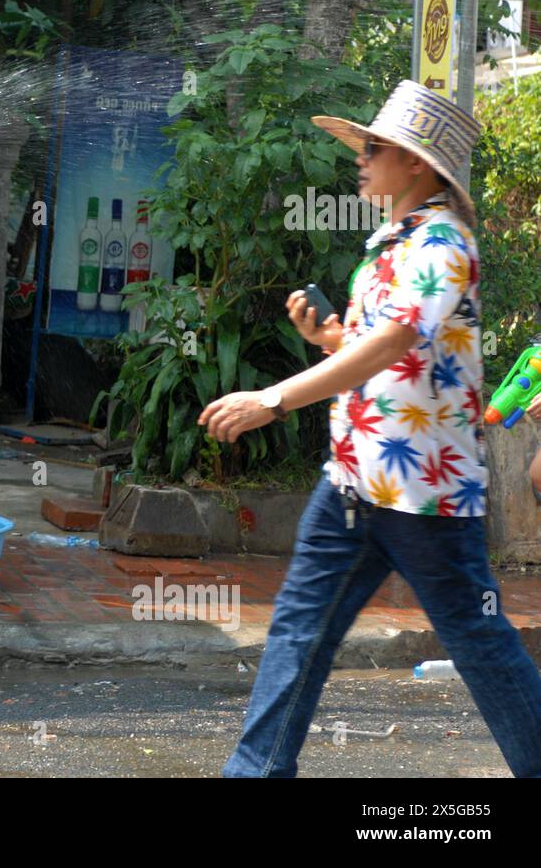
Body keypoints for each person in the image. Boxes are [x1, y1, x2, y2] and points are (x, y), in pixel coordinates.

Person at [200, 80, 541, 778]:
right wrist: (328, 338)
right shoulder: (393, 240)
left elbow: (392, 344)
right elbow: (386, 355)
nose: (361, 157)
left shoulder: (445, 243)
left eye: (375, 148)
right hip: (353, 480)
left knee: (477, 640)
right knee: (300, 631)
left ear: (417, 164)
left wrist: (274, 397)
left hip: (422, 494)